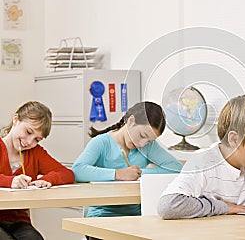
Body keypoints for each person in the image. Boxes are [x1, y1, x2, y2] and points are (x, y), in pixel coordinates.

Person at [72, 101, 182, 220]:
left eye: (149, 141)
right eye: (142, 135)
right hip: (102, 216)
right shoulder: (101, 143)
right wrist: (118, 174)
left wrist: (140, 174)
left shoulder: (147, 146)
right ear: (131, 121)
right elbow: (77, 171)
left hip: (137, 217)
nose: (142, 144)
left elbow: (176, 168)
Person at [0, 101, 75, 240]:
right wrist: (10, 181)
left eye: (37, 139)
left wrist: (46, 180)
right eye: (28, 132)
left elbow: (67, 174)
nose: (29, 142)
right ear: (15, 119)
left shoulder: (35, 153)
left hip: (18, 221)